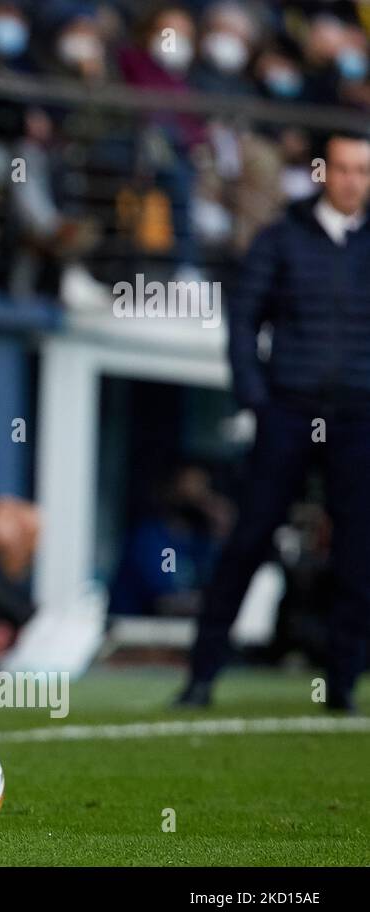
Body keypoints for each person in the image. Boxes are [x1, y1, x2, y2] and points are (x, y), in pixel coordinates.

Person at [177, 132, 370, 712]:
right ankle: (202, 676)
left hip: (358, 419)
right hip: (287, 412)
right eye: (342, 168)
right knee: (249, 538)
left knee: (358, 552)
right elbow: (243, 324)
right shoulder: (280, 240)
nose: (352, 180)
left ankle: (341, 686)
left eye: (363, 170)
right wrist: (257, 400)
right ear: (321, 172)